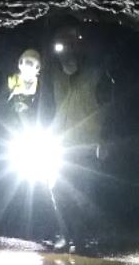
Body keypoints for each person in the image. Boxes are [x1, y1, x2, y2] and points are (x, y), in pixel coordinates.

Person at [45, 24, 114, 162]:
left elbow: (111, 112)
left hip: (89, 154)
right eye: (61, 43)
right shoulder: (53, 75)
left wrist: (106, 139)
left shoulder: (97, 74)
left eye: (72, 42)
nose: (67, 48)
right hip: (59, 153)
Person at [6, 48, 42, 119]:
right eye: (27, 63)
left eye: (31, 64)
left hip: (29, 118)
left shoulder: (39, 85)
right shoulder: (13, 80)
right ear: (20, 64)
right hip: (11, 115)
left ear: (38, 68)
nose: (28, 68)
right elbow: (3, 97)